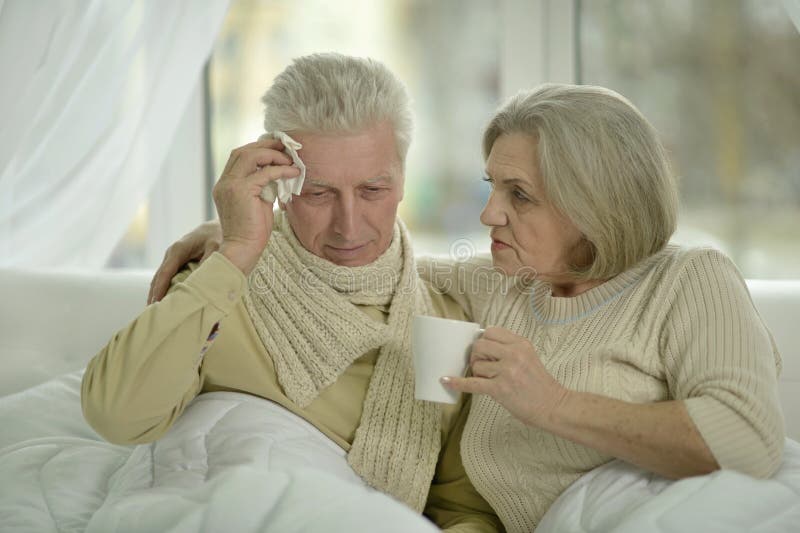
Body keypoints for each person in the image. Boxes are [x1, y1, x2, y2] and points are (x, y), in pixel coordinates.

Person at [157, 83, 786, 532]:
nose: (489, 214)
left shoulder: (687, 280)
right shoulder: (508, 283)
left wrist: (554, 405)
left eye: (520, 195)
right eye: (493, 187)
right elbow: (362, 263)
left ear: (595, 200)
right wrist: (236, 240)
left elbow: (745, 439)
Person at [81, 53, 501, 532]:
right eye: (318, 194)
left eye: (372, 190)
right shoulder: (222, 284)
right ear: (279, 182)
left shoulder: (448, 322)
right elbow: (116, 415)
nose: (348, 226)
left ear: (403, 179)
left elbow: (465, 512)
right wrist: (236, 249)